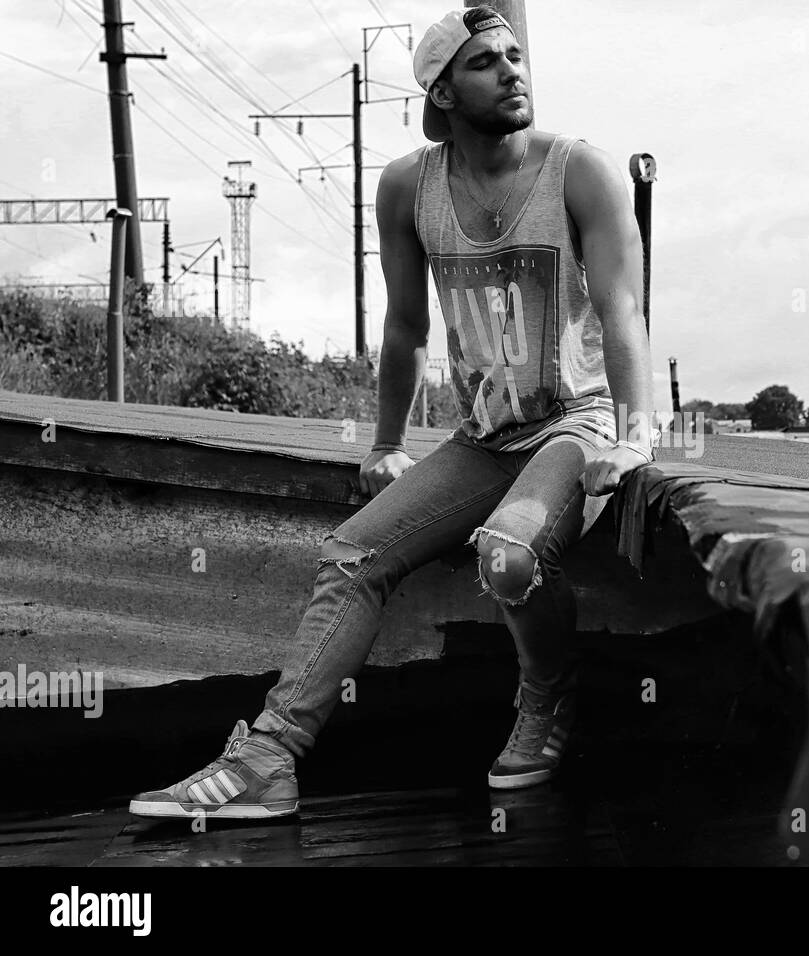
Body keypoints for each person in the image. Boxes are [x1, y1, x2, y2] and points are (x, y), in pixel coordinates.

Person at [129, 5, 655, 819]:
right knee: (351, 555)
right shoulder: (409, 185)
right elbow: (405, 325)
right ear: (442, 92)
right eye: (486, 63)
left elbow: (623, 311)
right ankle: (270, 758)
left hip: (575, 424)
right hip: (483, 438)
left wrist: (634, 435)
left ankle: (548, 701)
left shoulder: (580, 172)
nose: (513, 71)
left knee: (508, 554)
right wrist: (382, 443)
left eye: (516, 56)